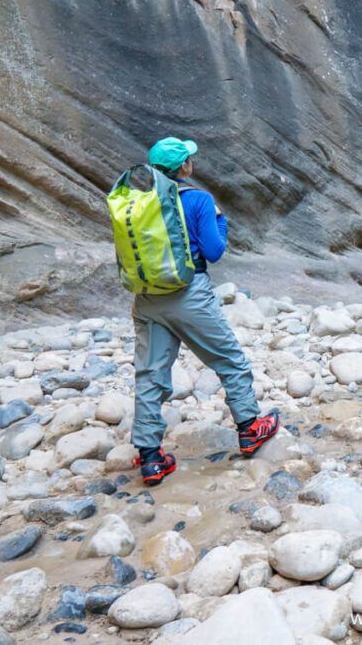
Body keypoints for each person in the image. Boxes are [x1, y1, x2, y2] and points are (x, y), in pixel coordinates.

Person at [131, 137, 279, 485]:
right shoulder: (198, 199)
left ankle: (151, 459)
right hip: (189, 294)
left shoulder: (137, 204)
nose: (191, 163)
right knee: (229, 359)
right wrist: (221, 219)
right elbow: (214, 251)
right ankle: (249, 428)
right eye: (188, 159)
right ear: (184, 167)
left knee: (150, 375)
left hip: (148, 297)